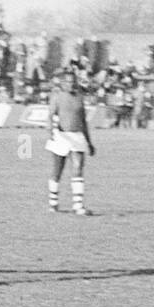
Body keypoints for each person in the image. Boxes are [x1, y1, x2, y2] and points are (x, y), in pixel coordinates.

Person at [46, 70, 95, 215]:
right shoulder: (57, 97)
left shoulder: (79, 97)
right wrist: (51, 132)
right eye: (68, 81)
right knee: (57, 171)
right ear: (62, 83)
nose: (72, 83)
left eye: (73, 81)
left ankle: (78, 206)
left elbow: (83, 121)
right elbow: (50, 116)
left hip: (77, 136)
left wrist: (89, 142)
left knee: (78, 167)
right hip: (61, 136)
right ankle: (53, 203)